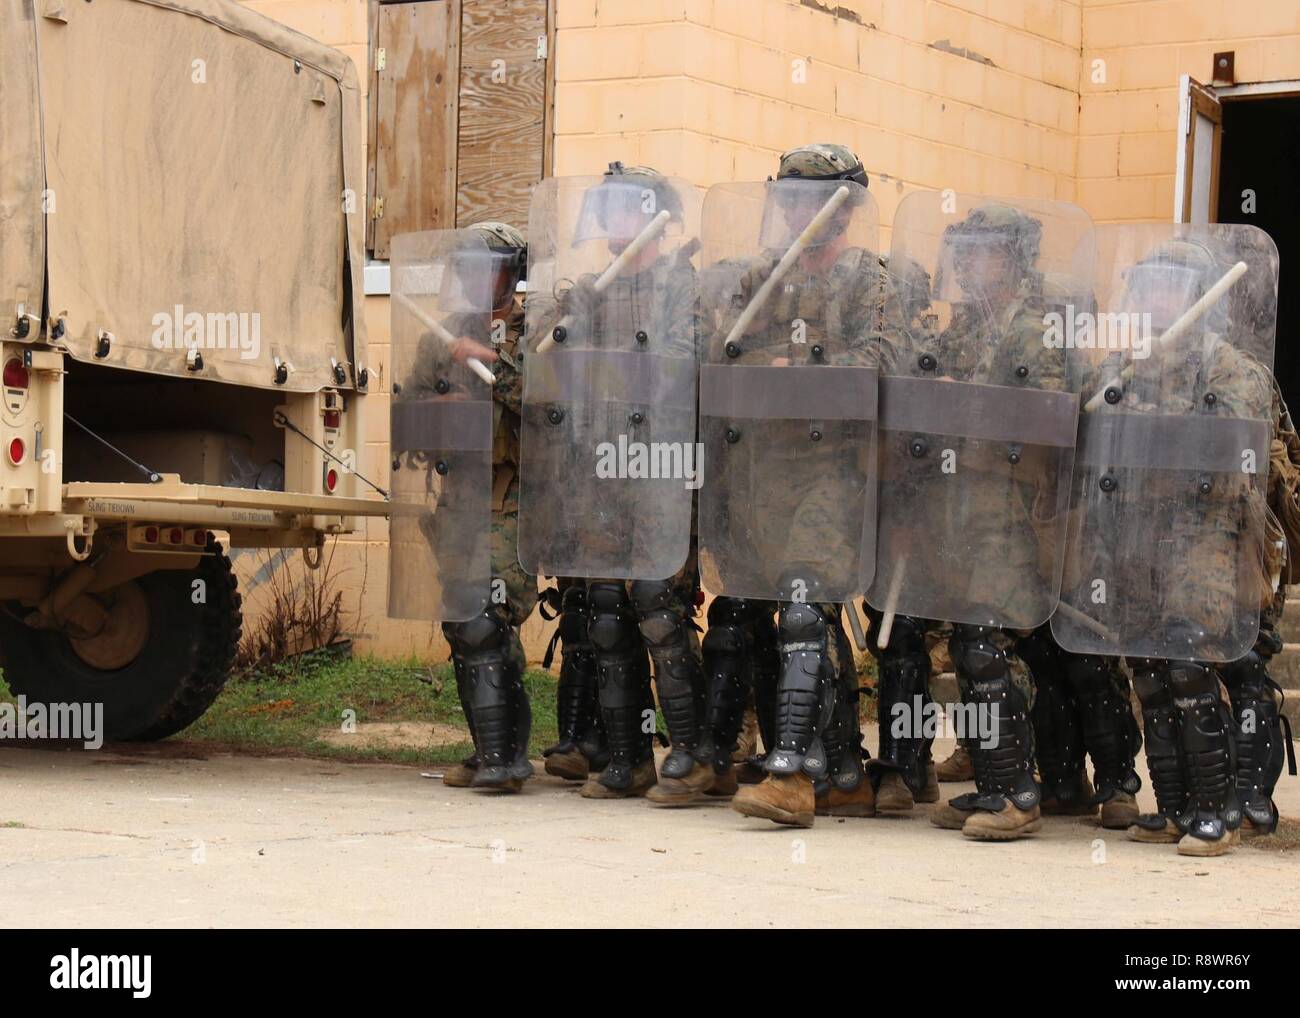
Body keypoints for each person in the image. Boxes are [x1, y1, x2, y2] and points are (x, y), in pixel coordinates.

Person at [696, 143, 902, 827]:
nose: (795, 215)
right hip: (763, 471)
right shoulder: (761, 272)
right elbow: (721, 352)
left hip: (834, 468)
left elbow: (877, 360)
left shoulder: (868, 278)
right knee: (777, 613)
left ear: (842, 213)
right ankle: (842, 768)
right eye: (787, 202)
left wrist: (798, 362)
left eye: (809, 203)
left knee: (808, 606)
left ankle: (791, 774)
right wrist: (763, 357)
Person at [398, 222, 537, 792]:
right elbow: (408, 412)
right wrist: (438, 405)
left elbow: (547, 400)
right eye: (469, 271)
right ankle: (489, 751)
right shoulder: (441, 337)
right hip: (459, 495)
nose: (479, 283)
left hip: (512, 494)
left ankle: (509, 757)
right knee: (460, 619)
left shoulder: (535, 330)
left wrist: (491, 362)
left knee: (489, 617)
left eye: (490, 270)